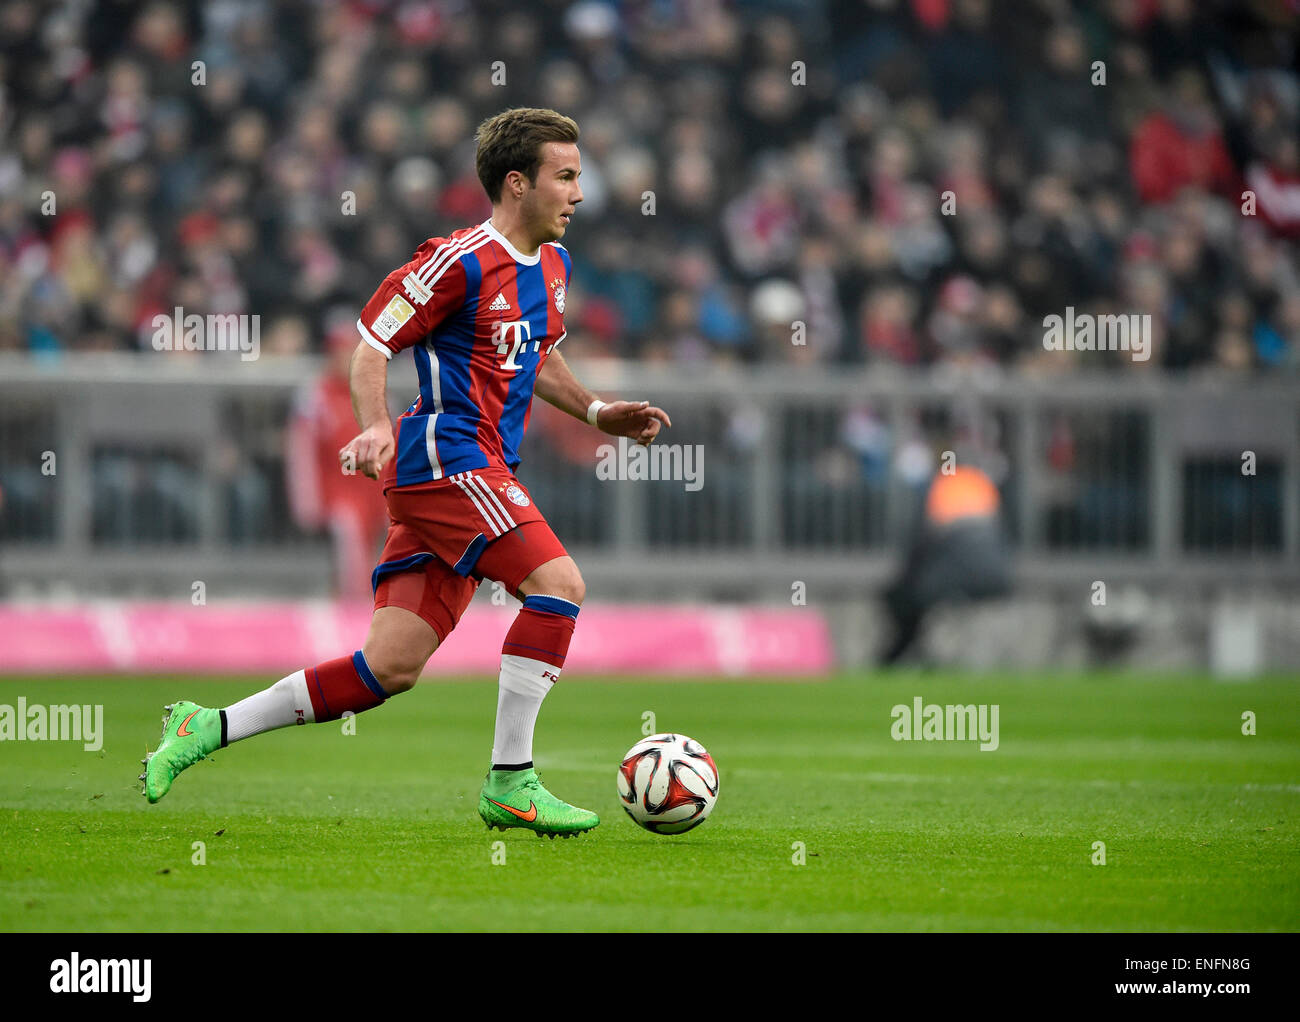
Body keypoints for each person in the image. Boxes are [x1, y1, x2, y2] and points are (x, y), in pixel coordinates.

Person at [141, 108, 672, 839]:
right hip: (445, 457)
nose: (581, 192)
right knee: (560, 585)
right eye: (567, 176)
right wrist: (373, 423)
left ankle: (207, 725)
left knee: (387, 668)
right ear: (517, 184)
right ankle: (512, 780)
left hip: (473, 466)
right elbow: (369, 342)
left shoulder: (554, 265)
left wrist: (597, 410)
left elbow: (536, 354)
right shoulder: (456, 261)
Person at [879, 462, 1012, 666]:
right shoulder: (981, 485)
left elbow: (922, 545)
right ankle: (905, 655)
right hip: (998, 579)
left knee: (906, 597)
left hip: (955, 577)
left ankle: (898, 657)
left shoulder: (939, 489)